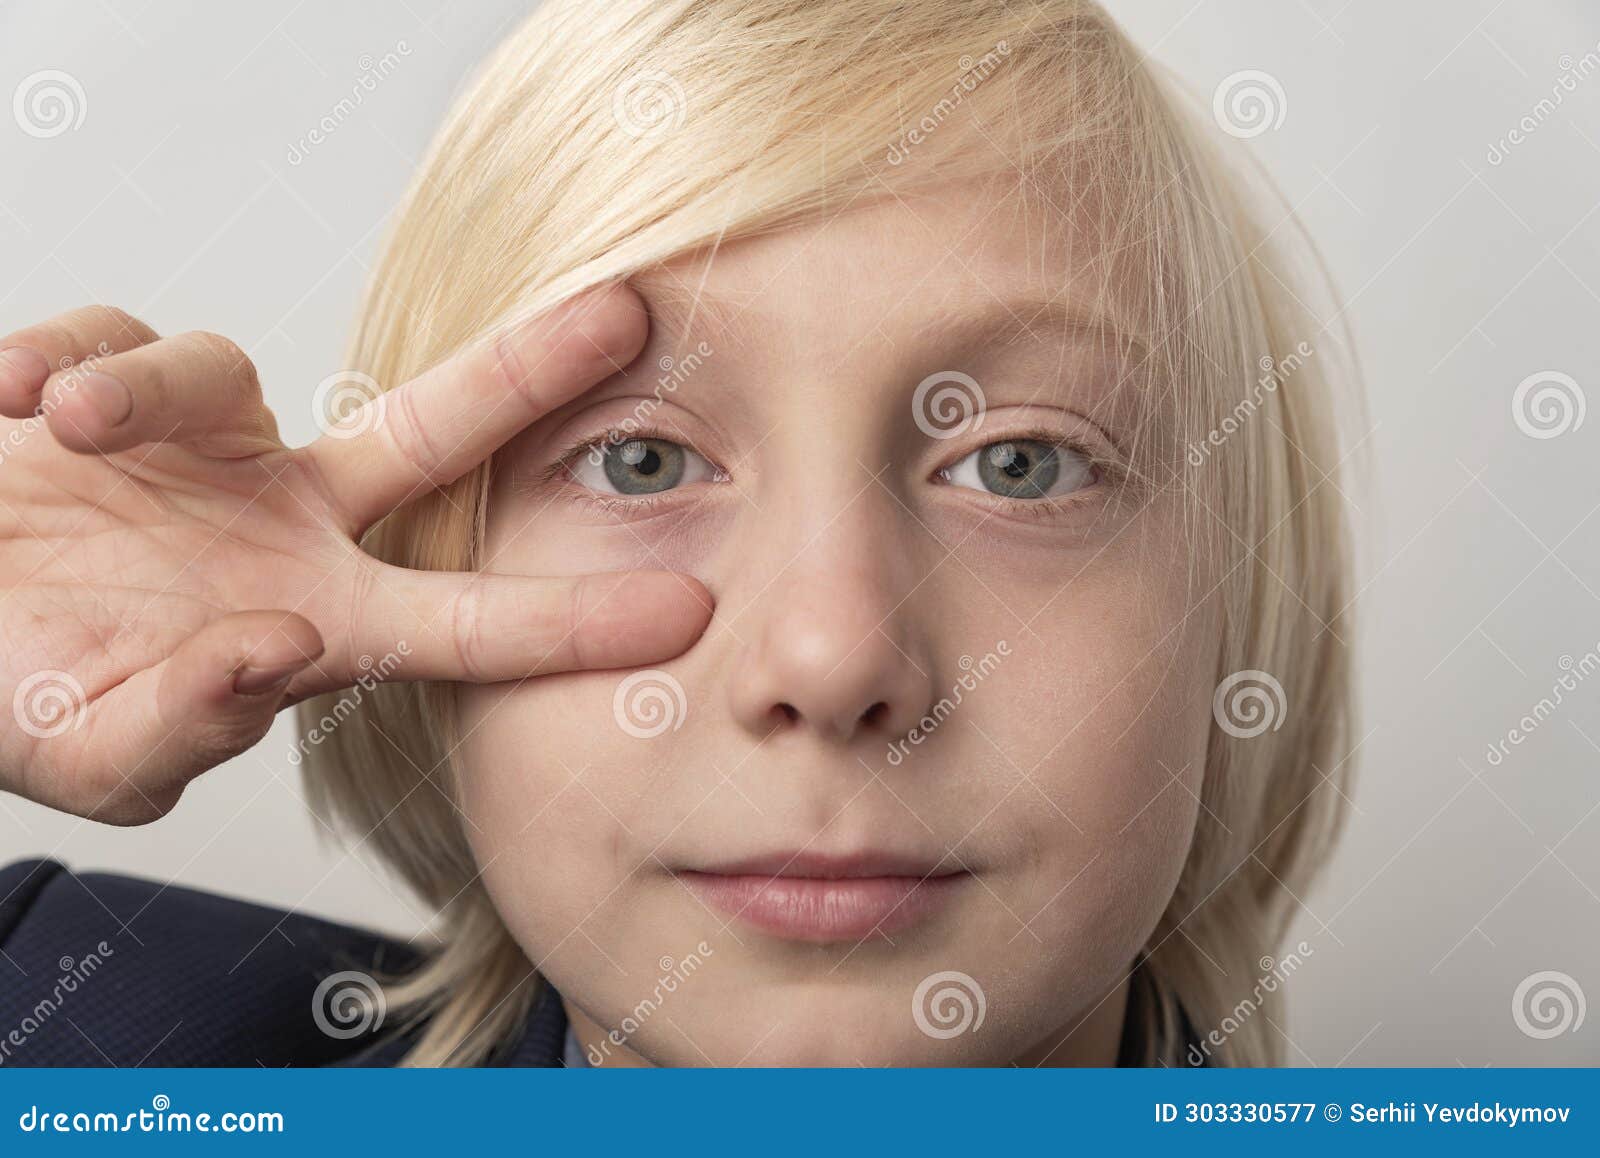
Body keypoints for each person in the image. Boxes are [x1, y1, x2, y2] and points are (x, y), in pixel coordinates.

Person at [0, 0, 1356, 1067]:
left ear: (1241, 610)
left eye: (1021, 460)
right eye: (641, 459)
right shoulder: (67, 1023)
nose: (830, 659)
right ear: (421, 567)